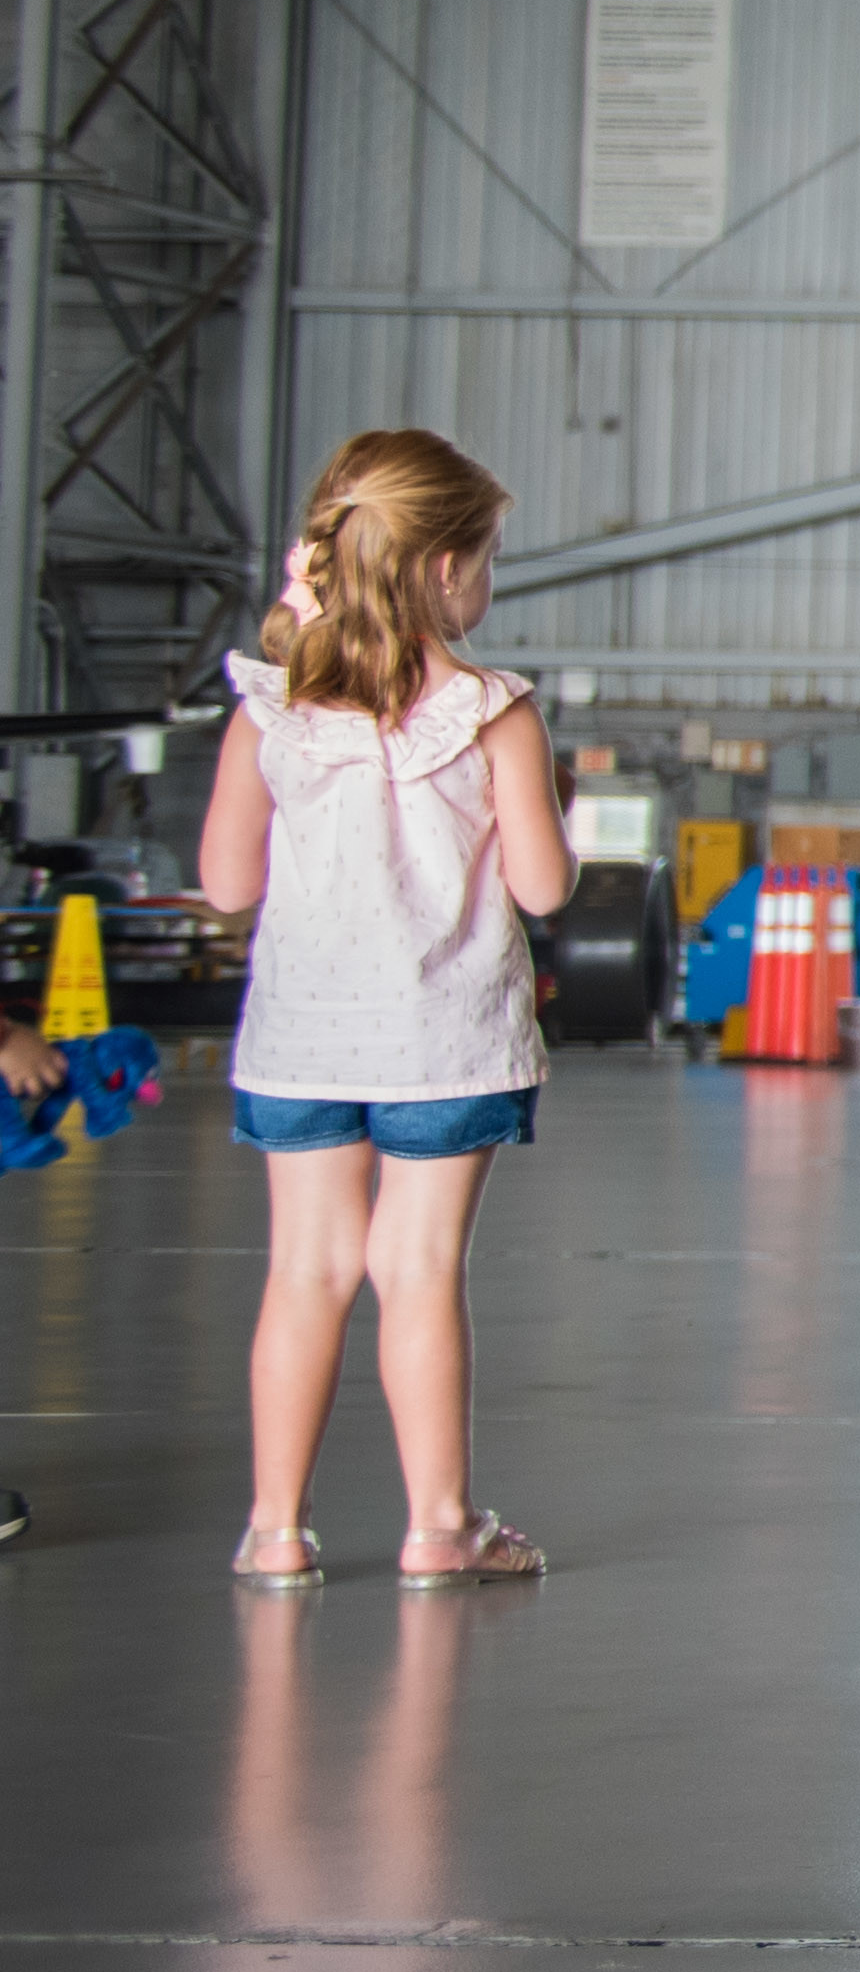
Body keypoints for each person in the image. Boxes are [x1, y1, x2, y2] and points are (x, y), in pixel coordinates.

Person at [199, 429, 568, 1589]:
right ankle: (439, 1528)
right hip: (445, 1045)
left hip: (302, 1042)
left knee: (304, 1269)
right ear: (448, 570)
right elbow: (545, 888)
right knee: (417, 1270)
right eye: (490, 554)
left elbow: (225, 886)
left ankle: (272, 1531)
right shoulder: (492, 710)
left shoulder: (269, 709)